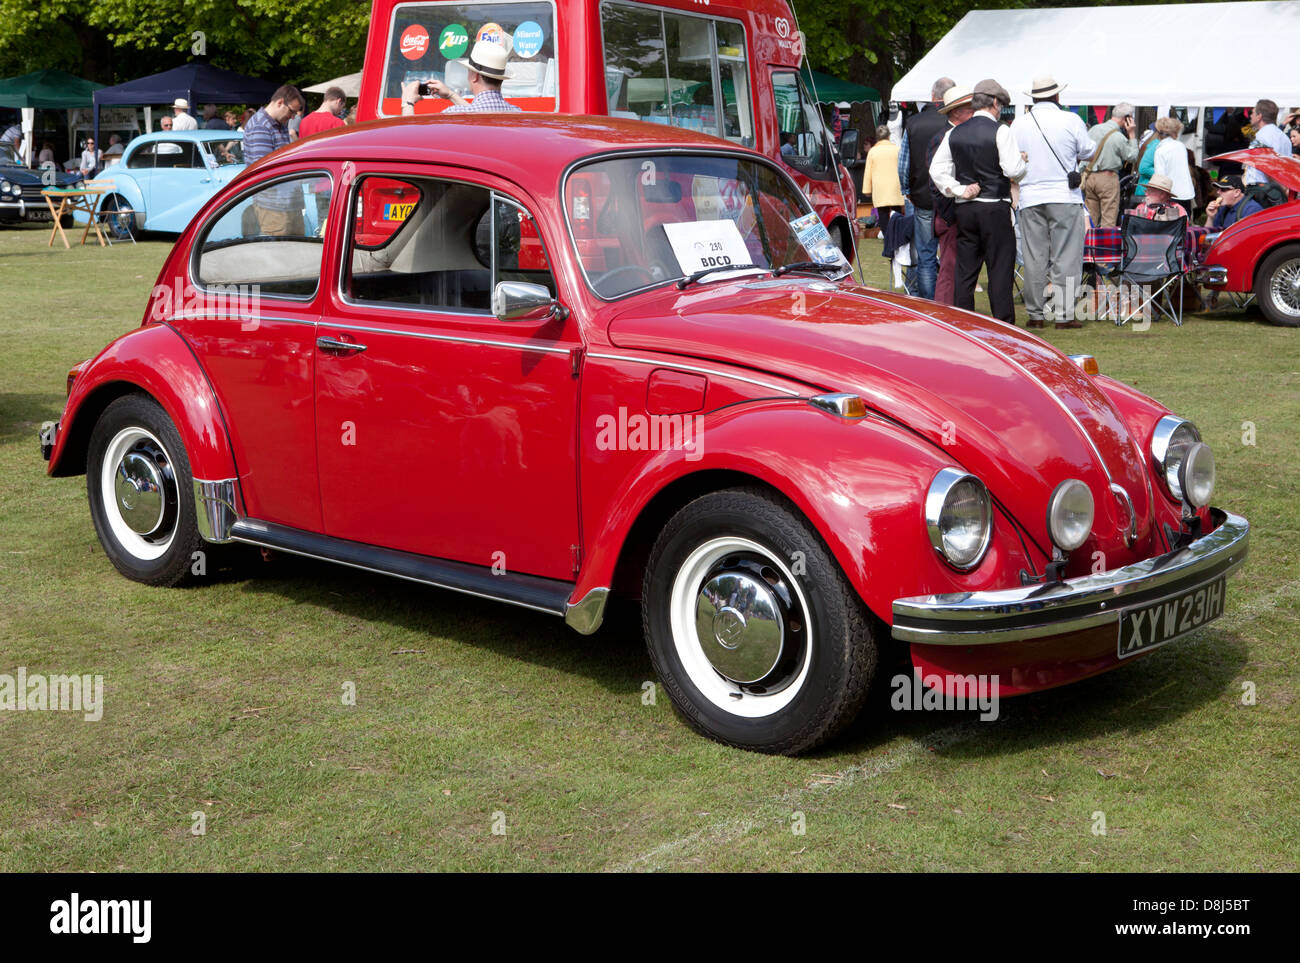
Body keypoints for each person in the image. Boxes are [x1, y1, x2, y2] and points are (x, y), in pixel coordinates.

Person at [930, 78, 1027, 324]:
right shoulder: (1000, 130)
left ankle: (965, 324)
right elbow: (1013, 169)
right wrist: (1023, 161)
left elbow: (936, 169)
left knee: (965, 272)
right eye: (1001, 105)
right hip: (995, 206)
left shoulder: (954, 132)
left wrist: (959, 189)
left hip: (966, 209)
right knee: (999, 270)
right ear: (994, 102)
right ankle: (1004, 325)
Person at [1010, 74, 1093, 329]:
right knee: (1066, 256)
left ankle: (1035, 313)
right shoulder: (1071, 120)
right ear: (1057, 96)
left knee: (1034, 256)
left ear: (1034, 98)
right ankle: (1064, 314)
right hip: (1063, 195)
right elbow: (1088, 150)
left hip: (1030, 195)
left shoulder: (1019, 124)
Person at [898, 76, 955, 300]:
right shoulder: (954, 122)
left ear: (932, 96)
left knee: (926, 256)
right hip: (950, 197)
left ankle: (930, 304)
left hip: (922, 197)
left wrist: (906, 191)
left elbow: (903, 162)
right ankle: (949, 301)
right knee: (951, 254)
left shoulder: (913, 123)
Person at [926, 85, 974, 306]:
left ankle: (951, 309)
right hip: (950, 212)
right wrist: (949, 214)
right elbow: (937, 180)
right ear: (956, 112)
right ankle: (944, 309)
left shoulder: (951, 134)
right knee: (949, 266)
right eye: (968, 108)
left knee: (955, 266)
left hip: (953, 210)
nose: (973, 112)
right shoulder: (943, 137)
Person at [402, 40, 520, 114]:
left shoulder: (453, 115)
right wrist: (451, 95)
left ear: (475, 76)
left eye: (469, 71)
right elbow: (479, 113)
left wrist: (407, 103)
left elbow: (412, 139)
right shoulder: (516, 113)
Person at [1083, 103, 1137, 227]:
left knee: (1090, 219)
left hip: (1089, 176)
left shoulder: (1094, 129)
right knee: (1108, 219)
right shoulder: (1118, 137)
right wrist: (1132, 135)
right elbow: (1132, 156)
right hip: (1108, 178)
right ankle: (1105, 246)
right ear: (1127, 118)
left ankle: (1089, 244)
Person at [242, 85, 305, 165]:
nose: (292, 117)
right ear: (280, 103)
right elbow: (264, 169)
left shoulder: (281, 124)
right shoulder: (260, 126)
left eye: (295, 113)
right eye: (291, 111)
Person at [862, 124, 903, 234]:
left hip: (880, 188)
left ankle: (887, 236)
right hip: (896, 187)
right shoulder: (897, 149)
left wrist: (867, 190)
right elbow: (903, 168)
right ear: (889, 136)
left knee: (883, 213)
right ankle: (897, 235)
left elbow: (868, 173)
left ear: (877, 138)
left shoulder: (872, 152)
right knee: (897, 212)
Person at [1151, 117, 1195, 218]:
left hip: (1170, 195)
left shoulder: (1160, 150)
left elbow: (1160, 178)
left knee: (1171, 228)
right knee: (1185, 226)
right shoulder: (1181, 146)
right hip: (1186, 193)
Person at [1244, 98, 1293, 186]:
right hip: (1277, 189)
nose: (1250, 116)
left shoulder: (1262, 137)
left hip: (1262, 190)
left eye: (1253, 113)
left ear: (1259, 116)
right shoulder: (1284, 137)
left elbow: (1267, 167)